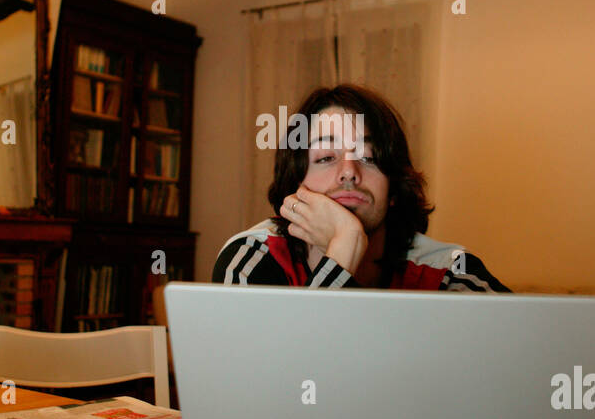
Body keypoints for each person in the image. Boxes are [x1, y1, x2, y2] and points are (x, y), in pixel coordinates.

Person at [212, 84, 509, 293]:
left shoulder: (447, 271)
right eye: (326, 157)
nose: (349, 173)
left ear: (394, 189)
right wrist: (345, 246)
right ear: (295, 186)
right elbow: (287, 378)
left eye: (369, 157)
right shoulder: (253, 257)